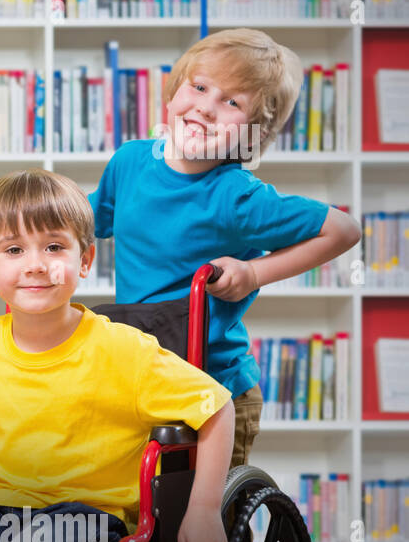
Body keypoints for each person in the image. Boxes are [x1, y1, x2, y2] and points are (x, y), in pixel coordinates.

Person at [0, 169, 234, 542]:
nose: (35, 265)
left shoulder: (125, 350)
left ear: (85, 259)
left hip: (85, 515)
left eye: (54, 247)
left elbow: (217, 407)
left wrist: (203, 511)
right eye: (14, 250)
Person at [90, 29, 362, 468]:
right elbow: (88, 220)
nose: (205, 106)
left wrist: (254, 274)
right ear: (175, 89)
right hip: (144, 377)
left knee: (211, 522)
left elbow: (344, 230)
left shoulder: (238, 197)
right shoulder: (130, 162)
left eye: (232, 102)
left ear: (254, 135)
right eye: (199, 87)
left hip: (215, 389)